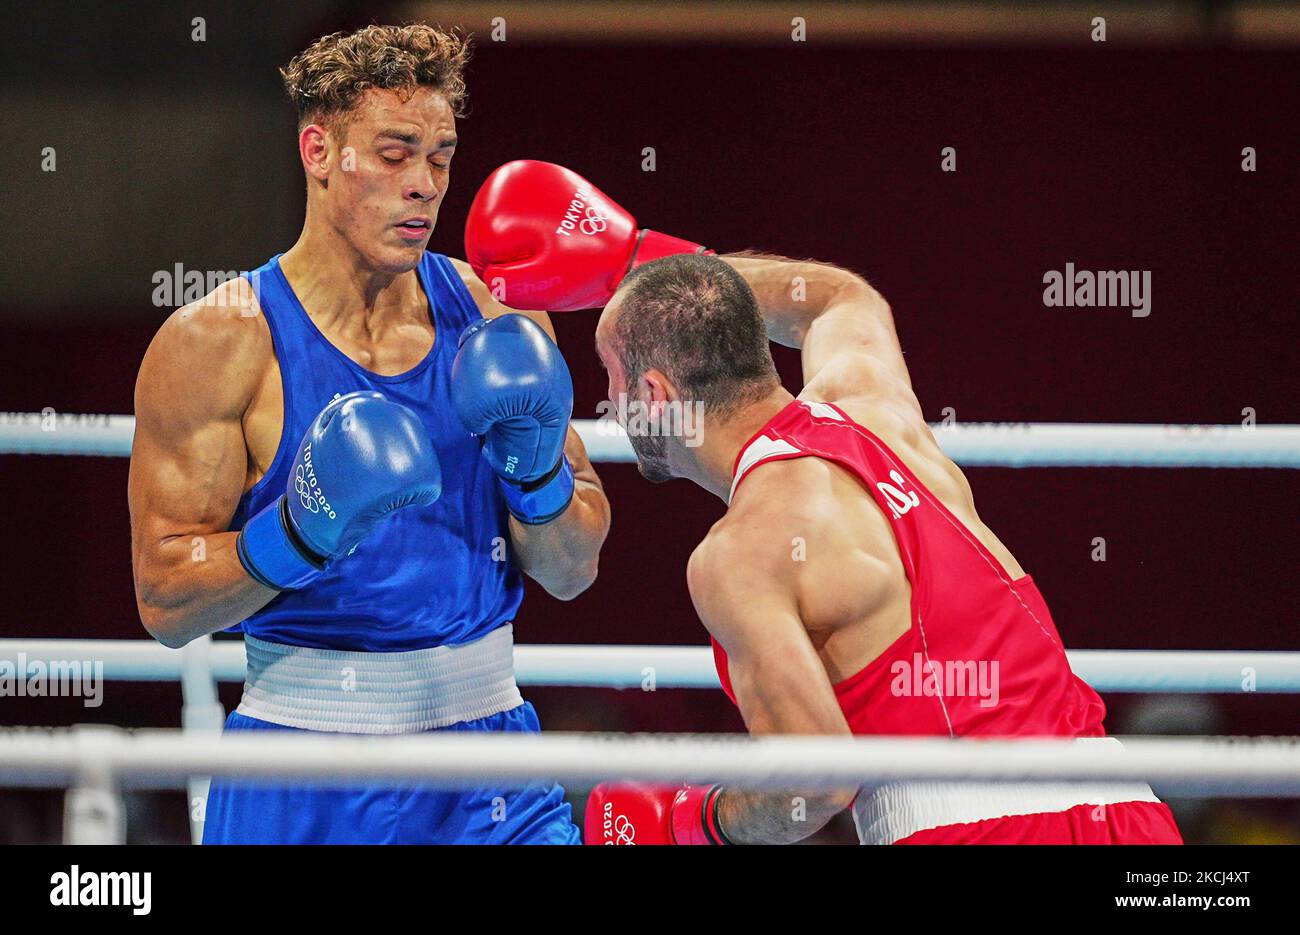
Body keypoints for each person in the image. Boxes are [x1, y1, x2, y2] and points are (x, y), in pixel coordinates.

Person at [464, 160, 1183, 844]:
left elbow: (816, 782)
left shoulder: (738, 555)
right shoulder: (873, 408)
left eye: (612, 379)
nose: (609, 405)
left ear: (655, 394)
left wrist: (690, 819)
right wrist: (635, 259)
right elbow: (841, 296)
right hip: (1130, 809)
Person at [128, 25, 610, 844]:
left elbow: (573, 570)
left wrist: (537, 478)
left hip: (488, 765)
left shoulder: (495, 319)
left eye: (440, 156)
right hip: (299, 764)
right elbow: (165, 601)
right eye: (394, 154)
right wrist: (296, 532)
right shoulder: (218, 343)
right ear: (319, 152)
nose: (424, 185)